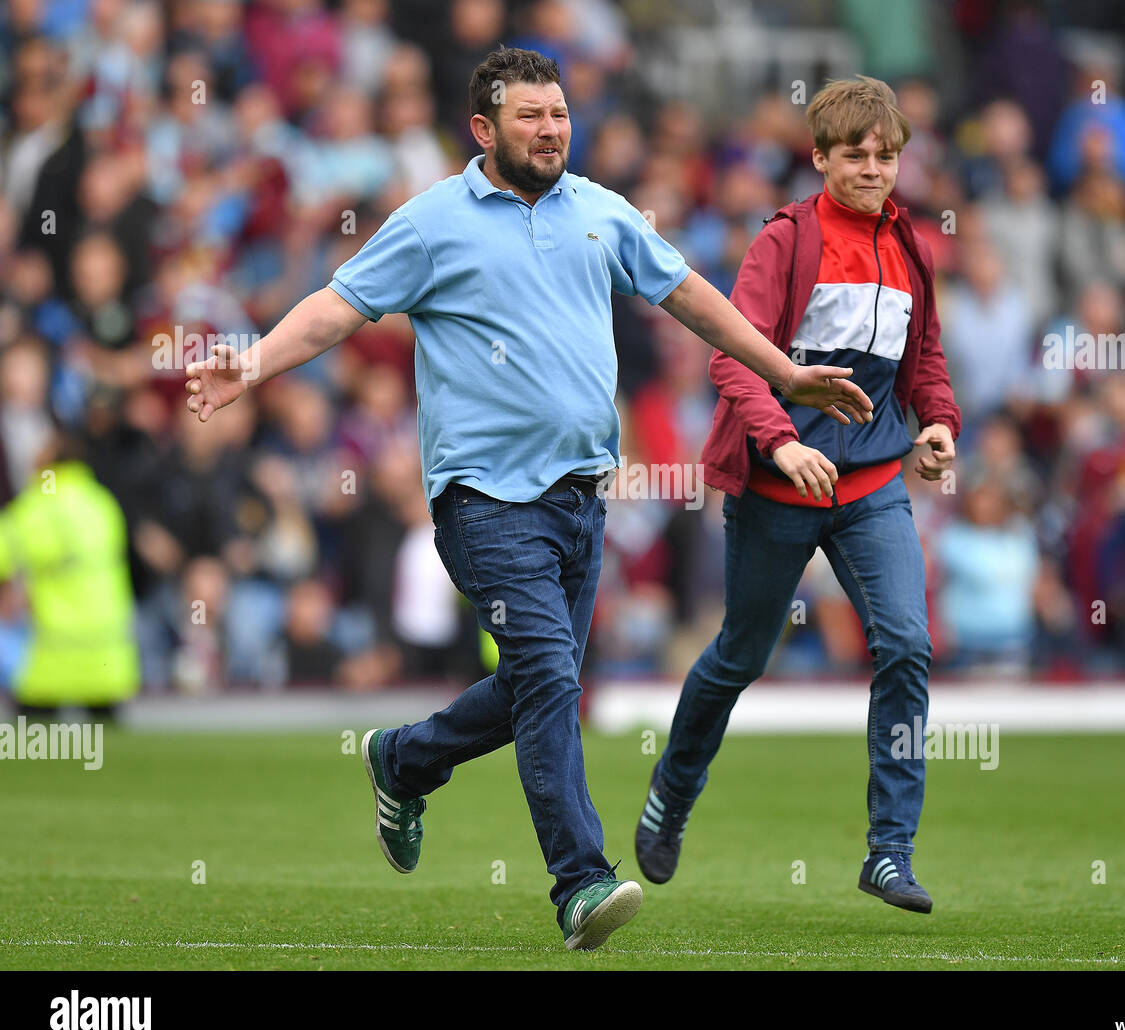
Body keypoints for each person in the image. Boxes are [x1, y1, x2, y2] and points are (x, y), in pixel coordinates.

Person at [184, 47, 873, 950]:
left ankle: (402, 759)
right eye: (530, 118)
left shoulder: (602, 211)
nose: (551, 131)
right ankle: (580, 882)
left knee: (530, 687)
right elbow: (339, 306)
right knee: (551, 680)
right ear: (484, 129)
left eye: (558, 115)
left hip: (583, 500)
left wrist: (781, 370)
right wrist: (255, 359)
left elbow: (689, 295)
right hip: (482, 499)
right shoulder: (433, 222)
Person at [635, 76, 962, 914]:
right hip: (778, 491)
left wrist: (939, 423)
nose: (874, 169)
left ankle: (889, 851)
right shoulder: (785, 241)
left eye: (887, 156)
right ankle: (673, 790)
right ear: (819, 158)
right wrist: (780, 443)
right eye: (856, 155)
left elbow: (923, 358)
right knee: (740, 657)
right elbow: (728, 356)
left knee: (907, 646)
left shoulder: (911, 244)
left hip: (874, 488)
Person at [0, 432, 139, 723]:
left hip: (54, 653)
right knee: (105, 752)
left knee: (38, 749)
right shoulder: (102, 503)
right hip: (107, 653)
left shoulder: (38, 505)